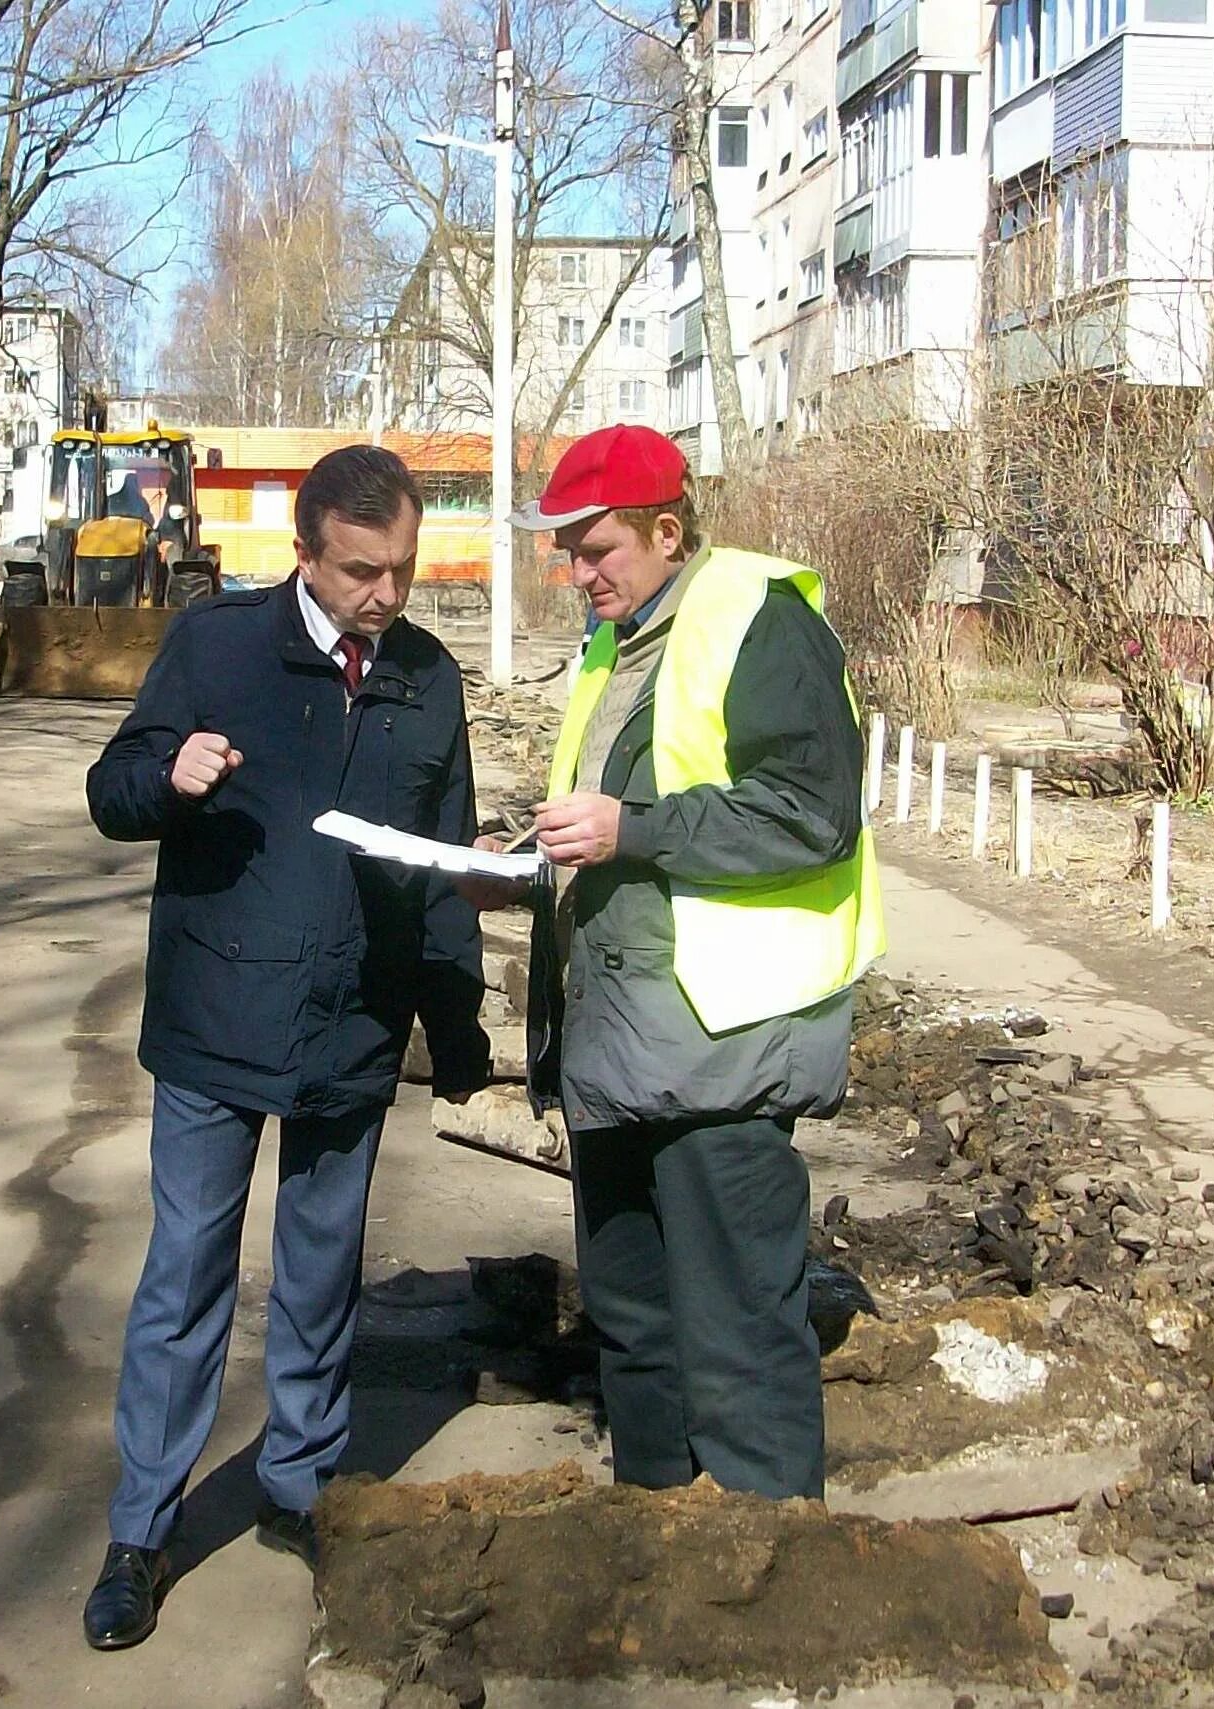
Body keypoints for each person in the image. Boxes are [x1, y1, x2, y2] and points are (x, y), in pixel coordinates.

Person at [79, 444, 492, 1650]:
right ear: (304, 553)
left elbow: (444, 868)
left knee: (318, 1278)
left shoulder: (426, 677)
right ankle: (141, 1531)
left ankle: (300, 1486)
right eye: (362, 571)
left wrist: (456, 1025)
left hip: (352, 1025)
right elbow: (109, 789)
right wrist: (170, 776)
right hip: (215, 1020)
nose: (386, 594)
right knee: (187, 1277)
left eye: (402, 568)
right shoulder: (218, 646)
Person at [495, 423, 883, 1501]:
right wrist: (524, 868)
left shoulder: (759, 618)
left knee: (739, 1344)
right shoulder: (617, 645)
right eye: (567, 551)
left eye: (596, 548)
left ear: (667, 531)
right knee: (635, 1333)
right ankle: (654, 1553)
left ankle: (767, 1578)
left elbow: (812, 815)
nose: (578, 573)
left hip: (723, 1054)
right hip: (620, 1049)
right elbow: (614, 819)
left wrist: (630, 830)